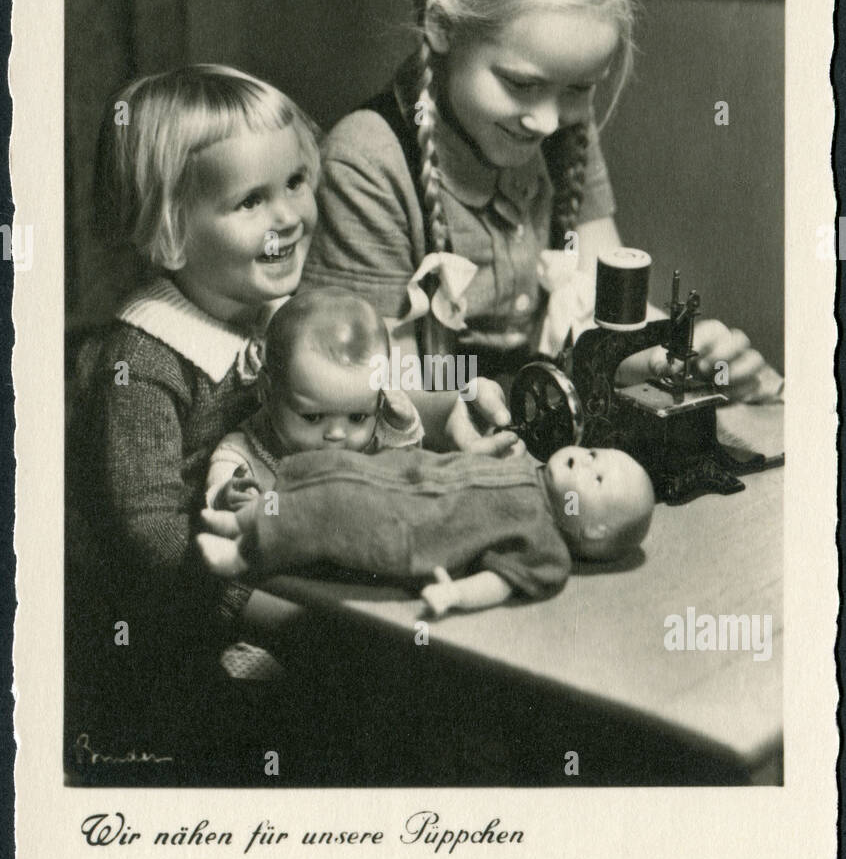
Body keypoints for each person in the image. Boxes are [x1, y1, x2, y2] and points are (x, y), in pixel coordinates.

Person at [302, 0, 777, 409]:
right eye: (521, 84)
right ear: (441, 26)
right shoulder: (366, 162)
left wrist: (674, 356)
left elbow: (608, 310)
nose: (549, 120)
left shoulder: (560, 130)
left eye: (578, 89)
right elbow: (374, 389)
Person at [66, 64, 326, 737]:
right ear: (170, 231)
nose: (290, 217)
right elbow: (150, 539)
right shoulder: (144, 361)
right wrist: (247, 604)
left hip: (275, 557)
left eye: (295, 182)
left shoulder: (270, 311)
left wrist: (451, 399)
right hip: (179, 626)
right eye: (251, 201)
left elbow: (363, 382)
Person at [197, 443, 656, 615]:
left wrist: (456, 596)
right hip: (403, 478)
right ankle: (240, 519)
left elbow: (500, 582)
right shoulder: (528, 467)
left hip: (410, 527)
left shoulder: (545, 544)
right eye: (595, 452)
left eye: (596, 477)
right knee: (329, 469)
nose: (586, 459)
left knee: (330, 509)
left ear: (593, 530)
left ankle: (243, 556)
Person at [205, 286, 423, 510]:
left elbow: (404, 467)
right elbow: (223, 479)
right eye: (313, 417)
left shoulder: (364, 447)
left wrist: (401, 425)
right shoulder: (246, 454)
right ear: (267, 392)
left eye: (357, 417)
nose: (337, 435)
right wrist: (225, 497)